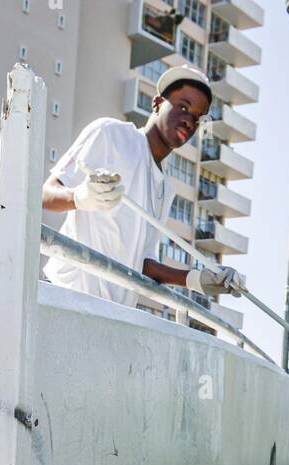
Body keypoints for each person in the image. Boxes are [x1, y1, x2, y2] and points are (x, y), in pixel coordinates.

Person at [40, 64, 245, 308]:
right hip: (66, 296)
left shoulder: (165, 189)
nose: (189, 121)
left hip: (113, 313)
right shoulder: (111, 134)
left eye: (197, 118)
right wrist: (79, 197)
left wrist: (197, 279)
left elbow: (143, 264)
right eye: (183, 107)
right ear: (157, 103)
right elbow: (44, 195)